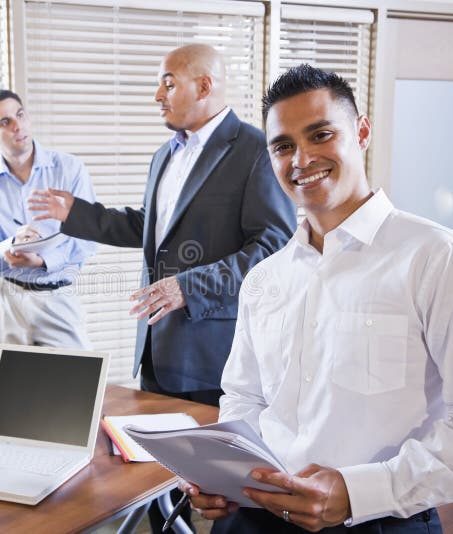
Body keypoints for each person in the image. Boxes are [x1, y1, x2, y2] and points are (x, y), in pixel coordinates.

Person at [180, 64, 453, 533]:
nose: (300, 159)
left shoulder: (445, 260)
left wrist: (358, 493)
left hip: (377, 521)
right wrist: (225, 475)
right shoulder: (265, 277)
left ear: (361, 132)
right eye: (283, 146)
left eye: (321, 135)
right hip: (255, 517)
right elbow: (245, 396)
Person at [29, 43, 296, 407]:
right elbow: (150, 226)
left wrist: (189, 287)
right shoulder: (164, 155)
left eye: (168, 84)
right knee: (150, 462)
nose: (158, 96)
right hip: (156, 350)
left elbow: (272, 250)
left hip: (214, 357)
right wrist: (76, 214)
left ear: (204, 87)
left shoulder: (255, 150)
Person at [0, 89, 98, 372]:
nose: (18, 126)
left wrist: (44, 261)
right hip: (5, 297)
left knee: (77, 385)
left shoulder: (70, 169)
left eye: (20, 115)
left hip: (55, 293)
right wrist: (7, 248)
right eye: (5, 122)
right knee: (6, 393)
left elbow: (88, 237)